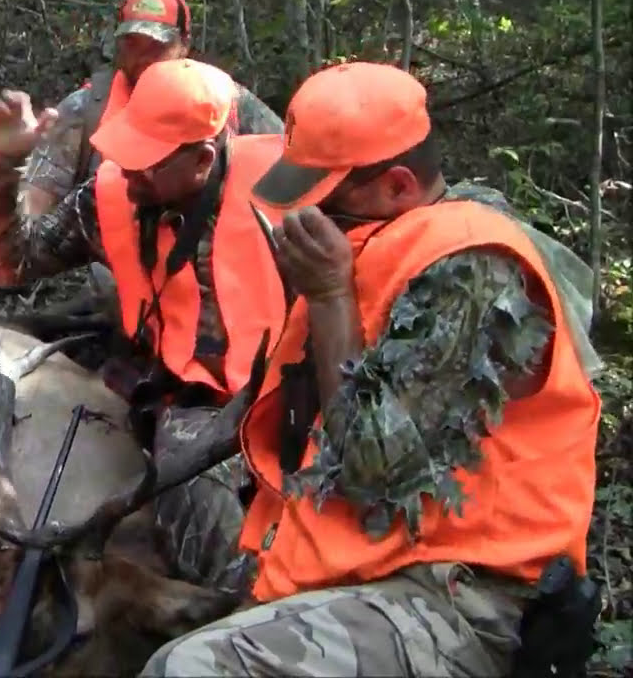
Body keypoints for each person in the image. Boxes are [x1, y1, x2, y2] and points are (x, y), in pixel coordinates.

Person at [141, 62, 603, 676]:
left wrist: (330, 297)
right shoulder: (376, 245)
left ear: (397, 186)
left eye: (324, 196)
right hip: (365, 566)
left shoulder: (470, 266)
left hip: (460, 597)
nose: (305, 216)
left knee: (192, 668)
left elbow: (374, 474)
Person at [0, 59, 289, 604]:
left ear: (202, 160)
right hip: (200, 406)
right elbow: (9, 266)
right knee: (189, 490)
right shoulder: (112, 196)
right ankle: (251, 614)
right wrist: (9, 169)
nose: (127, 167)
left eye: (148, 159)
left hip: (294, 388)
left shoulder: (292, 184)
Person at [0, 0, 285, 316]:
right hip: (125, 305)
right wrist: (8, 165)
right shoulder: (100, 163)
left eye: (156, 47)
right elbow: (25, 234)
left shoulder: (240, 122)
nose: (142, 60)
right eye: (132, 45)